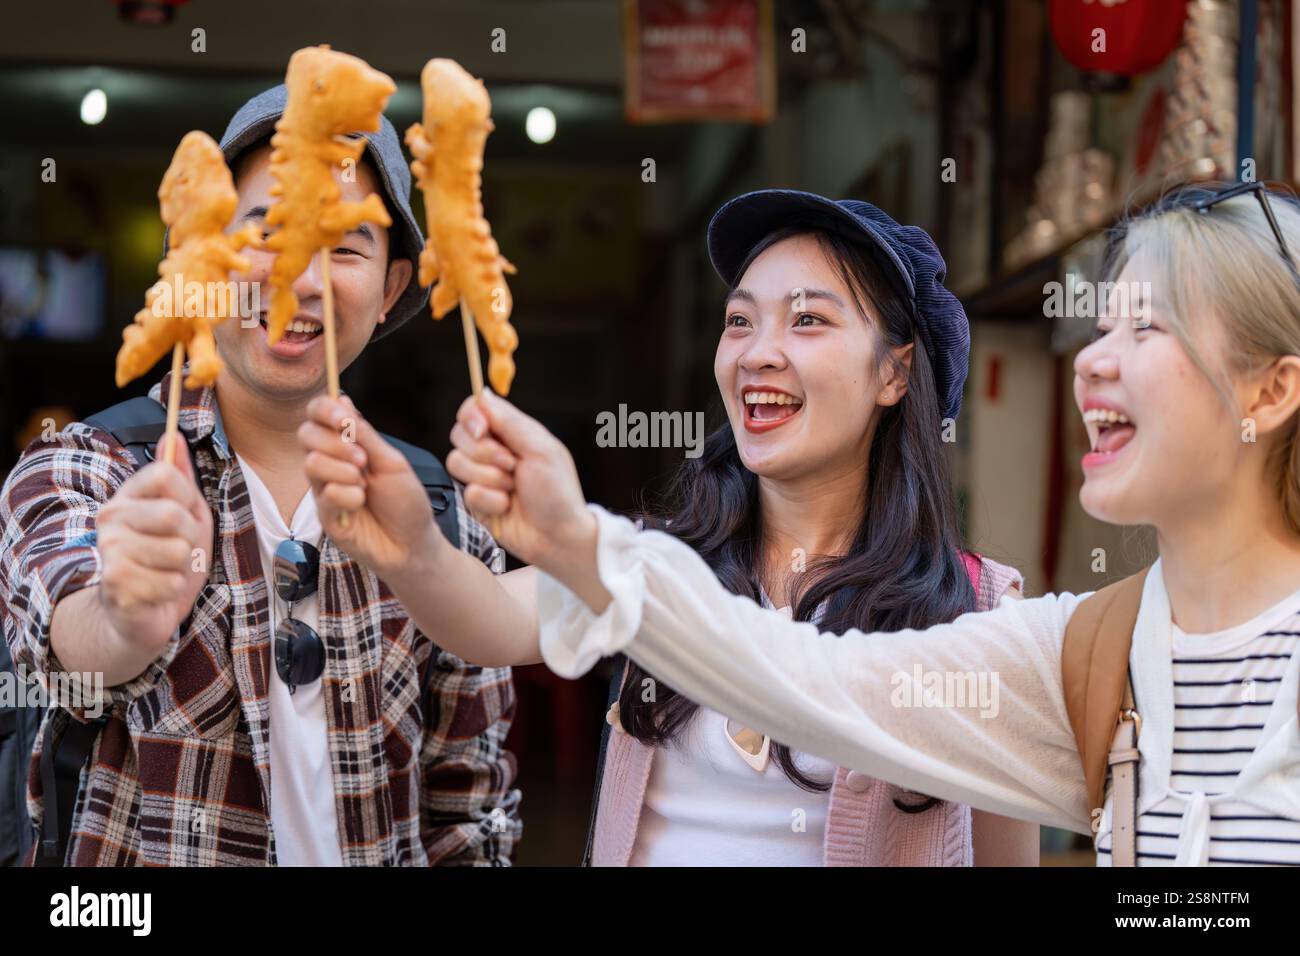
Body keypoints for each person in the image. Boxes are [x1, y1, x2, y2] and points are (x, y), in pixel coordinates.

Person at [443, 182, 1300, 867]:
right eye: (740, 319)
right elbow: (803, 679)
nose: (1090, 359)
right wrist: (473, 539)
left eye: (1143, 327)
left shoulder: (989, 614)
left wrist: (583, 545)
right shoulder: (1083, 651)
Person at [300, 191, 1038, 865]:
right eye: (740, 321)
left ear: (895, 375)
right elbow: (486, 619)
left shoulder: (978, 617)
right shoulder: (654, 564)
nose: (757, 353)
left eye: (808, 319)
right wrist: (413, 547)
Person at [0, 85, 521, 866]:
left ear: (390, 289)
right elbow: (67, 642)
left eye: (344, 246)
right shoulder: (84, 468)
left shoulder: (444, 520)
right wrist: (124, 618)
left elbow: (468, 811)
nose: (300, 279)